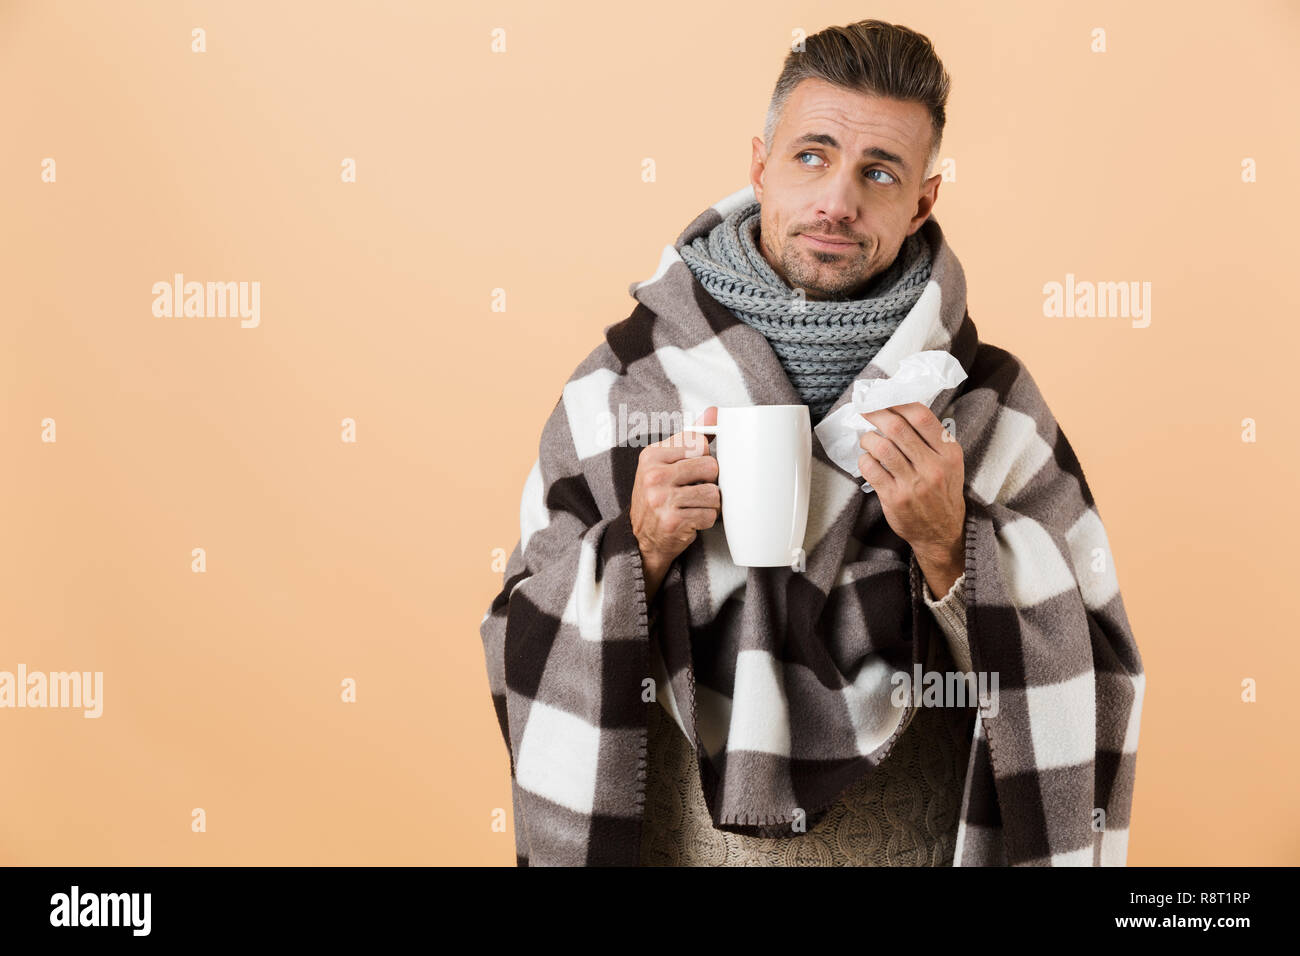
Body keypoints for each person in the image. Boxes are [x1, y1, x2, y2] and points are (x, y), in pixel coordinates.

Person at [480, 19, 1144, 867]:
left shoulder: (987, 401)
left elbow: (1097, 659)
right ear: (759, 165)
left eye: (878, 173)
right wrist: (636, 552)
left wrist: (955, 545)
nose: (837, 200)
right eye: (811, 156)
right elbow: (518, 624)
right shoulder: (626, 380)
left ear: (922, 202)